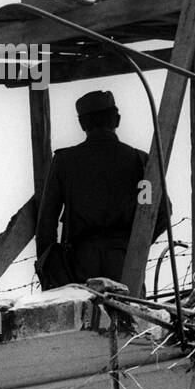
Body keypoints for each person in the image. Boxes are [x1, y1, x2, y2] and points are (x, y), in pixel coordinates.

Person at [34, 90, 169, 293]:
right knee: (130, 317)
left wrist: (51, 268)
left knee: (83, 322)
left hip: (80, 261)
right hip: (125, 258)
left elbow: (46, 223)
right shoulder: (139, 161)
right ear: (117, 120)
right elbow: (160, 211)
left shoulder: (65, 162)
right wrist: (137, 246)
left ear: (82, 124)